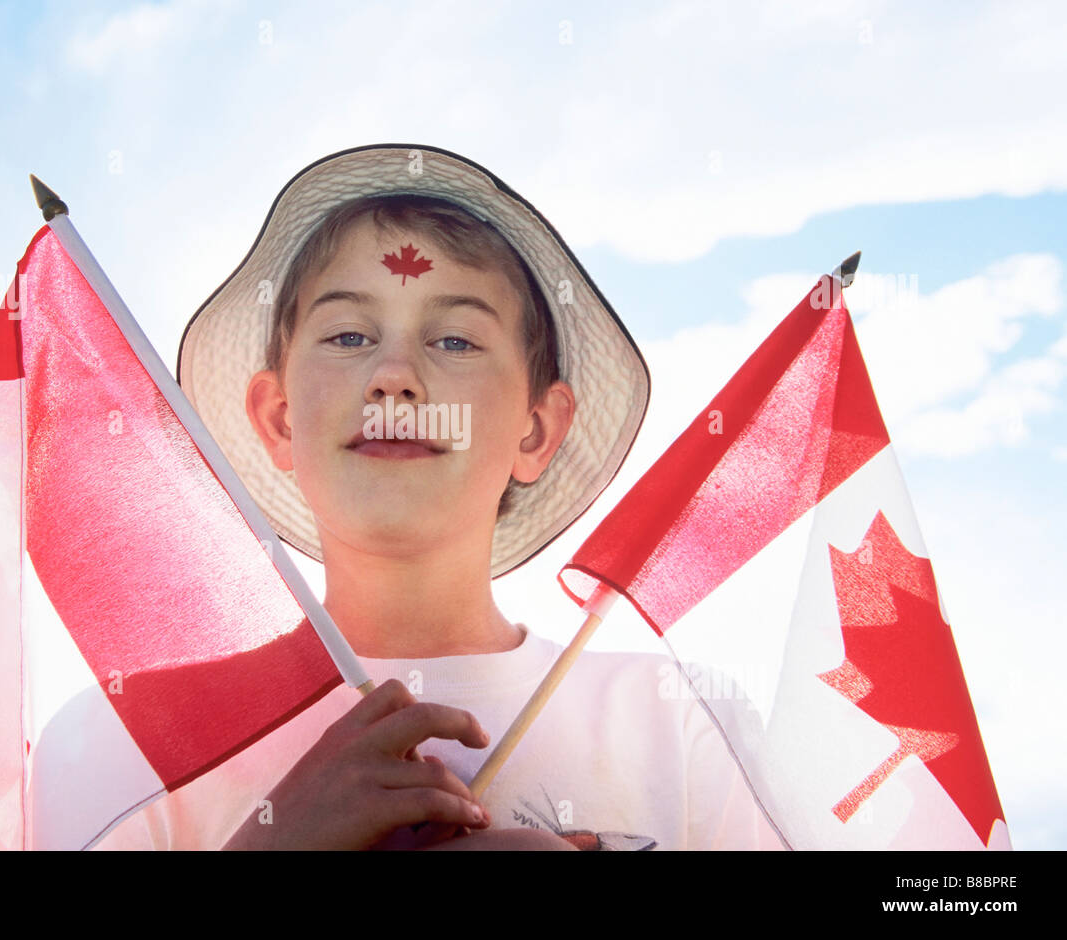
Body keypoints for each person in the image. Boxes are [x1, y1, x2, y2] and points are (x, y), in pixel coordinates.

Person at [93, 144, 779, 850]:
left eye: (454, 340)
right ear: (279, 419)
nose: (395, 377)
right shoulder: (130, 745)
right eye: (349, 334)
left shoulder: (683, 728)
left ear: (536, 430)